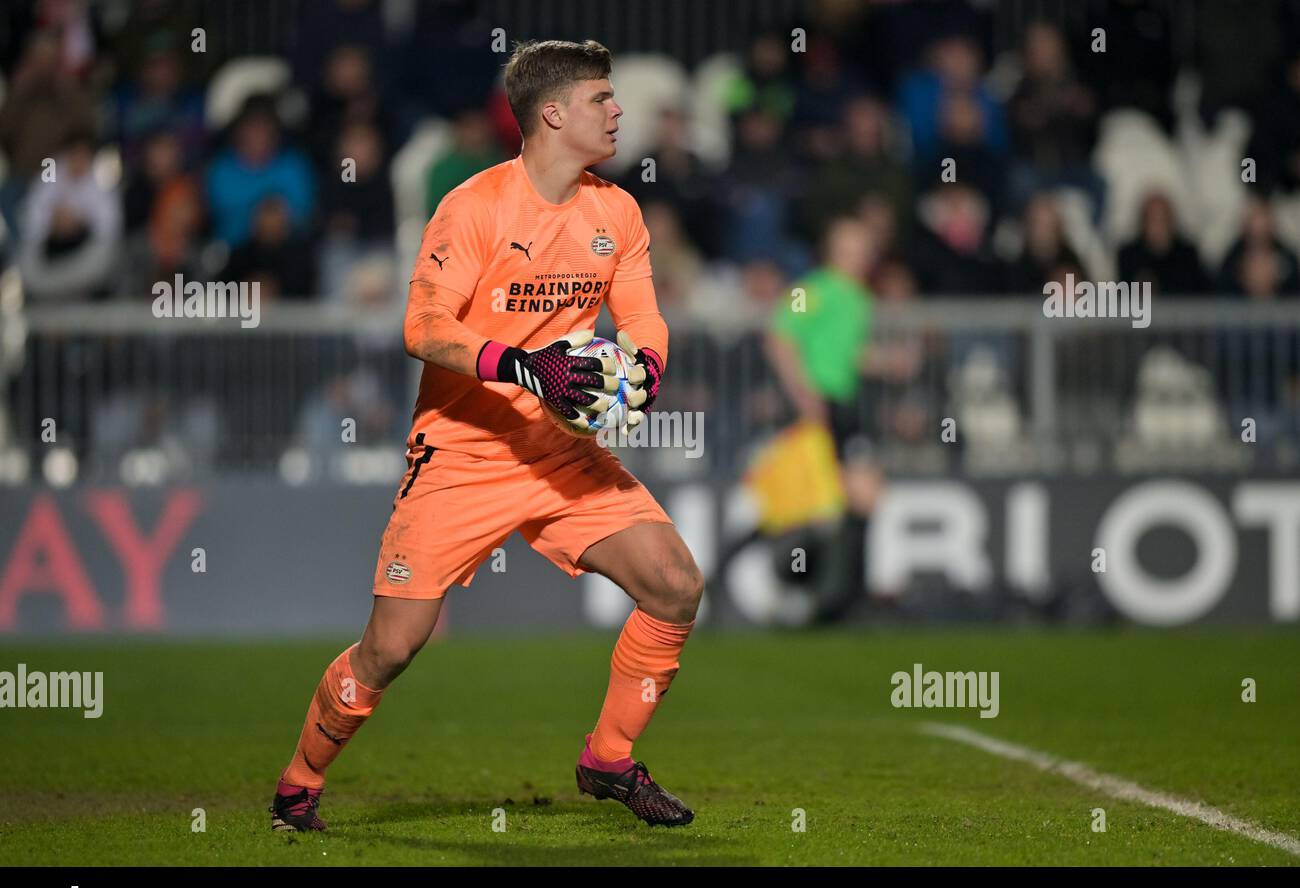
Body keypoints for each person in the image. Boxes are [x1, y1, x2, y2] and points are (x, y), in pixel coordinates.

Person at [269, 39, 705, 832]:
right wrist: (525, 366)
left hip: (561, 452)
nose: (617, 111)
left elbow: (643, 318)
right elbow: (422, 326)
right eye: (601, 98)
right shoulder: (473, 207)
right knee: (392, 649)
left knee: (676, 584)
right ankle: (299, 781)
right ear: (552, 113)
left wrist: (643, 370)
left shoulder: (617, 210)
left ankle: (608, 758)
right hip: (463, 453)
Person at [765, 217, 892, 623]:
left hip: (844, 405)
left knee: (858, 497)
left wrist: (893, 363)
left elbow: (849, 355)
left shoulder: (860, 298)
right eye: (852, 248)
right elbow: (780, 338)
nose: (859, 257)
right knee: (811, 504)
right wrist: (803, 395)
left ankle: (842, 597)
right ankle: (833, 598)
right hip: (819, 407)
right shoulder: (813, 290)